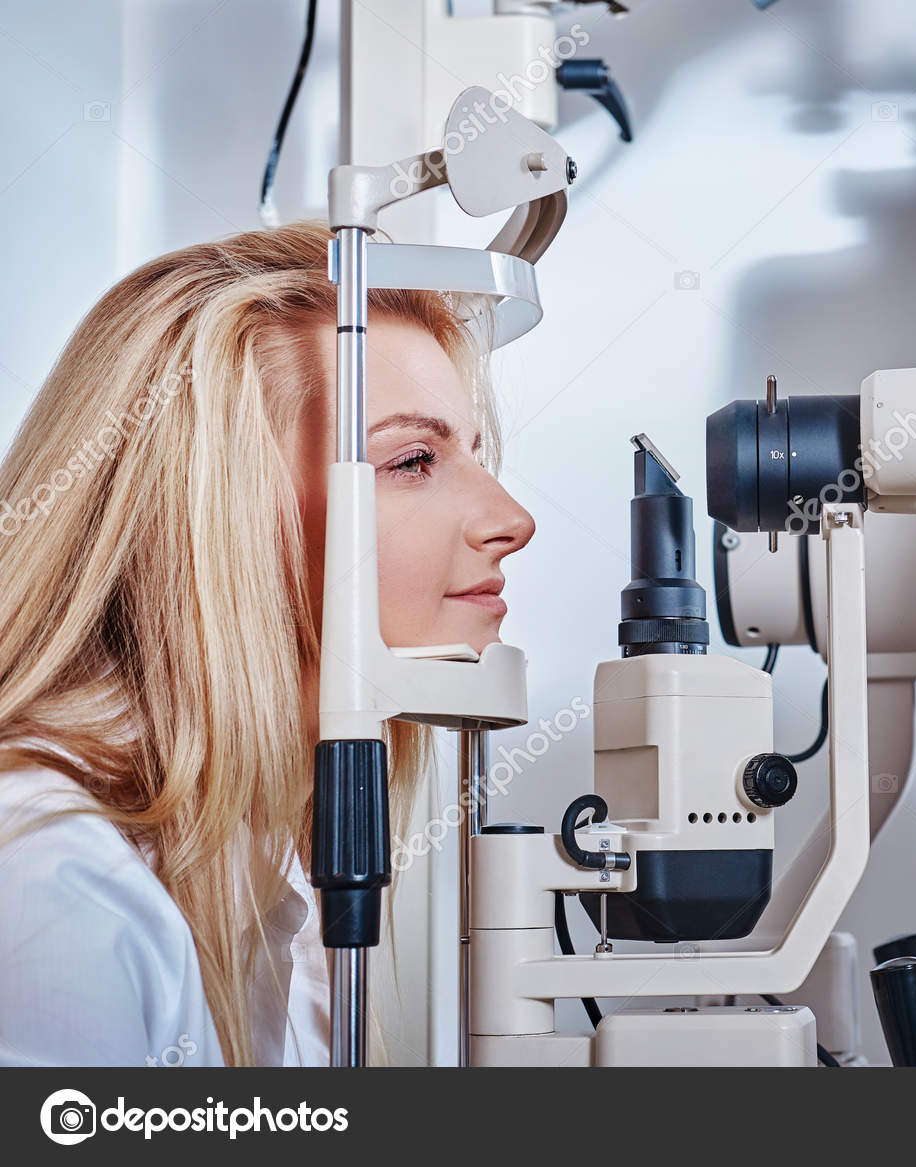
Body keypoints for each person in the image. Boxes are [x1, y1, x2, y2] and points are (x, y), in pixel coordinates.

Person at [0, 220, 535, 1066]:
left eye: (471, 451)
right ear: (219, 513)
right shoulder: (48, 883)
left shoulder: (268, 870)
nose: (513, 520)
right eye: (412, 460)